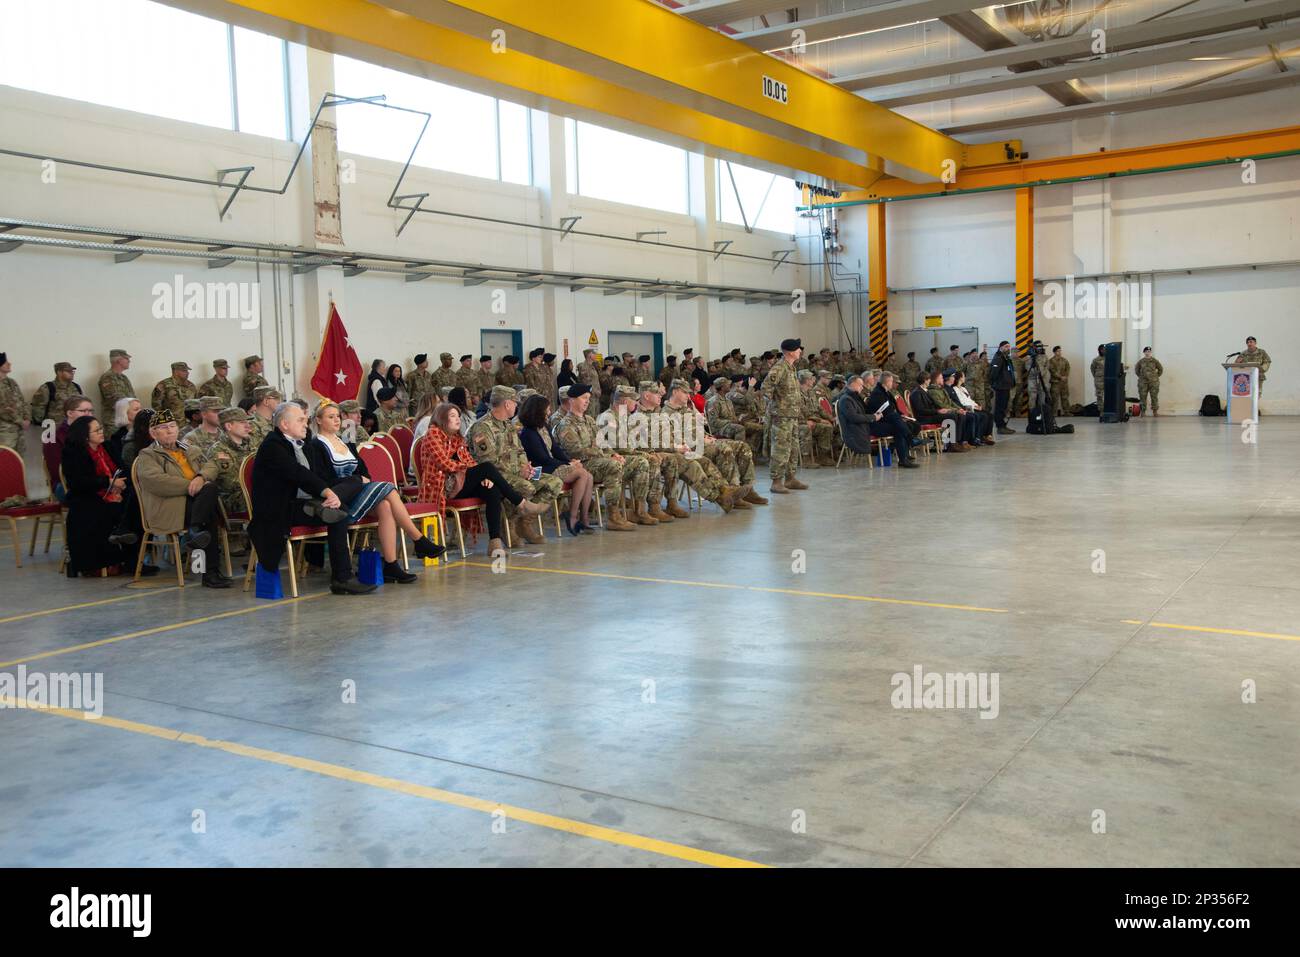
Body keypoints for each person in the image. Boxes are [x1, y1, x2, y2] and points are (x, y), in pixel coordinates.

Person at [311, 401, 445, 582]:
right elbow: (324, 481)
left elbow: (364, 471)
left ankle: (391, 564)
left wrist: (358, 479)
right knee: (388, 487)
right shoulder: (316, 445)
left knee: (385, 505)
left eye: (338, 416)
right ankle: (418, 540)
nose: (336, 420)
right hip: (338, 500)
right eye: (330, 417)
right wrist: (356, 480)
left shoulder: (346, 441)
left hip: (357, 492)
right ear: (318, 420)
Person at [249, 403, 372, 595]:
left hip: (306, 501)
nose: (306, 424)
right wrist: (328, 492)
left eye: (306, 420)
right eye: (300, 420)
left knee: (343, 503)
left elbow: (316, 474)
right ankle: (343, 578)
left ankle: (342, 578)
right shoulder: (272, 445)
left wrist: (330, 490)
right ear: (284, 424)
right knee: (338, 511)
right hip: (281, 509)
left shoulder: (305, 441)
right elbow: (298, 473)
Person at [418, 401, 548, 555]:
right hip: (442, 488)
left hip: (460, 484)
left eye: (458, 416)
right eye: (453, 416)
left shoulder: (457, 439)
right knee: (487, 468)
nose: (458, 419)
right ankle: (521, 503)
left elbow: (469, 460)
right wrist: (477, 472)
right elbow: (444, 463)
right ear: (441, 418)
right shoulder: (433, 434)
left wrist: (482, 477)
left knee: (491, 488)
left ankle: (495, 542)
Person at [133, 409, 231, 588]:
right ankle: (209, 573)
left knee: (208, 494)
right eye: (163, 428)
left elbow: (211, 466)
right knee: (208, 508)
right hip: (170, 506)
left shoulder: (190, 449)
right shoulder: (148, 455)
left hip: (195, 505)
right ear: (153, 433)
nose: (170, 431)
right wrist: (190, 485)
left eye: (172, 426)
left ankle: (195, 531)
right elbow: (156, 481)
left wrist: (201, 478)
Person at [467, 385, 564, 545]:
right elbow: (488, 462)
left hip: (515, 472)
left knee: (554, 483)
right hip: (495, 476)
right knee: (527, 487)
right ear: (506, 404)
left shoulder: (508, 425)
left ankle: (524, 523)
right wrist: (519, 472)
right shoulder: (483, 428)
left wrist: (526, 467)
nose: (516, 406)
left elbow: (519, 451)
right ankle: (508, 525)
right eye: (514, 402)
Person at [61, 416, 138, 576]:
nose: (101, 432)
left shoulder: (108, 447)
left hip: (115, 493)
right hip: (88, 496)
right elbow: (79, 482)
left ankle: (133, 560)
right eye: (96, 430)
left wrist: (121, 483)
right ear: (85, 435)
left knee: (136, 506)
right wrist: (108, 482)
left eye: (101, 428)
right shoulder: (73, 452)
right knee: (104, 512)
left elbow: (123, 469)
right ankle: (111, 559)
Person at [518, 393, 596, 535]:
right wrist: (568, 465)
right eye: (546, 410)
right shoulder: (527, 433)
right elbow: (542, 458)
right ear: (537, 411)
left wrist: (569, 461)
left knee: (588, 476)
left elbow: (555, 449)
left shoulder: (543, 428)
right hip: (539, 469)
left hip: (552, 465)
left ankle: (584, 519)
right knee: (582, 474)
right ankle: (572, 516)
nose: (549, 412)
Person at [839, 373, 918, 468]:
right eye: (860, 385)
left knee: (897, 426)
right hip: (858, 429)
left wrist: (875, 415)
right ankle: (904, 457)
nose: (862, 387)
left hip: (866, 425)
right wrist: (873, 417)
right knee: (897, 428)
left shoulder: (854, 397)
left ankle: (904, 457)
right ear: (852, 384)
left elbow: (865, 411)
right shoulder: (845, 399)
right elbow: (854, 418)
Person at [763, 338, 807, 494]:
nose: (800, 351)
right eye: (797, 349)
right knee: (781, 449)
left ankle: (790, 478)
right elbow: (766, 388)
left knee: (793, 448)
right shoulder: (779, 368)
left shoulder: (791, 368)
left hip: (791, 416)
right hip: (781, 417)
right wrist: (773, 409)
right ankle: (776, 482)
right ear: (789, 352)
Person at [44, 394, 95, 499]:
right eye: (84, 411)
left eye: (91, 411)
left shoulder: (93, 432)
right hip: (65, 484)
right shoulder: (54, 436)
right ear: (70, 413)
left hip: (91, 480)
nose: (89, 415)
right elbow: (58, 471)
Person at [909, 373, 966, 453]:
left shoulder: (924, 391)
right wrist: (937, 411)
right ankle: (952, 444)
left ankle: (955, 442)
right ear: (925, 380)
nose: (930, 381)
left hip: (931, 415)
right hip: (924, 418)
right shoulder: (917, 393)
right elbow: (921, 410)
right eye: (928, 379)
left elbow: (933, 404)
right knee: (952, 417)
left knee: (955, 415)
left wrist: (944, 410)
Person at [31, 361, 84, 427]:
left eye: (72, 371)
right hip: (56, 428)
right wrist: (41, 423)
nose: (72, 373)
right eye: (68, 371)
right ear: (59, 372)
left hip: (76, 426)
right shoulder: (48, 387)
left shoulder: (76, 387)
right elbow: (38, 408)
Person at [0, 352, 30, 452]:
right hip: (5, 432)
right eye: (5, 362)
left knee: (19, 461)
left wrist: (27, 418)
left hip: (19, 430)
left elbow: (23, 401)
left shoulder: (12, 382)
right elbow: (4, 410)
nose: (9, 364)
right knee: (5, 461)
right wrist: (21, 422)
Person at [98, 349, 136, 421]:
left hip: (127, 419)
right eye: (126, 358)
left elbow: (132, 397)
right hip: (114, 421)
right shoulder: (107, 377)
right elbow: (114, 400)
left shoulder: (124, 378)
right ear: (118, 360)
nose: (129, 361)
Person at [989, 340, 1016, 434]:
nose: (1008, 348)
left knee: (1004, 407)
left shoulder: (1005, 358)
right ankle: (1000, 427)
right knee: (1000, 408)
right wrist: (994, 384)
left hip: (1006, 386)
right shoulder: (998, 358)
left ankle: (1003, 425)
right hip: (1001, 387)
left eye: (1009, 347)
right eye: (1006, 347)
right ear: (1001, 348)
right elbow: (993, 373)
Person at [106, 397, 142, 465]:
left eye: (140, 408)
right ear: (124, 413)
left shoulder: (147, 429)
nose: (141, 411)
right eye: (136, 409)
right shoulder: (117, 437)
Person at [1135, 346, 1164, 416]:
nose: (1148, 353)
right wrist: (1142, 377)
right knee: (1142, 396)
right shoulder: (1141, 361)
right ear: (1144, 352)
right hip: (1143, 382)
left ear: (1151, 352)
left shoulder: (1155, 361)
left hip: (1153, 382)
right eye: (1146, 351)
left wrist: (1155, 377)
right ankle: (1143, 411)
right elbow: (1137, 371)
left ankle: (1155, 411)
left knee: (1154, 396)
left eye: (1149, 352)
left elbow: (1161, 369)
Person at [1047, 346, 1071, 416]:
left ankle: (1067, 412)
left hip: (1064, 382)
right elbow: (1052, 371)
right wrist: (1060, 377)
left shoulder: (1064, 360)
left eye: (1060, 351)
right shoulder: (1051, 361)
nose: (1060, 352)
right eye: (1058, 351)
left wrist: (1066, 376)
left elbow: (1068, 368)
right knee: (1055, 398)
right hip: (1055, 382)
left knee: (1065, 397)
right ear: (1054, 352)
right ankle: (1054, 413)